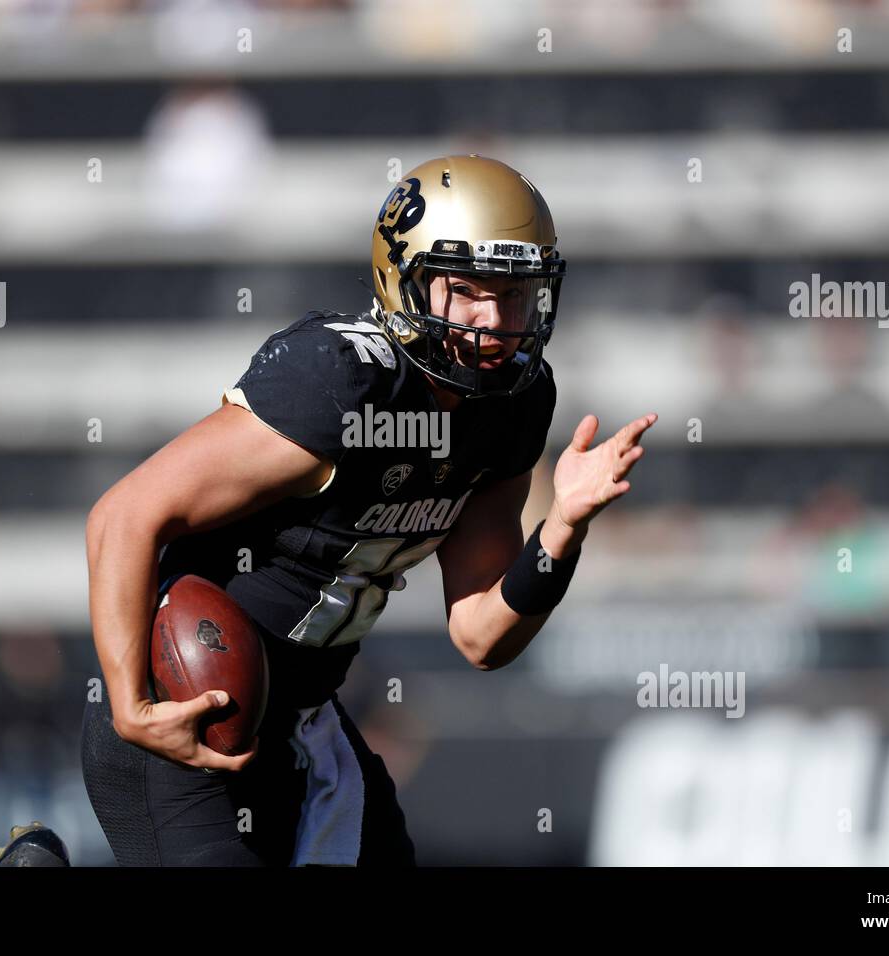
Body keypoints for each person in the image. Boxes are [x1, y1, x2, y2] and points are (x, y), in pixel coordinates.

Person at [81, 154, 656, 865]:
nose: (495, 320)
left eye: (514, 294)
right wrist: (133, 708)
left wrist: (562, 530)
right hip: (186, 711)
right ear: (405, 278)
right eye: (469, 290)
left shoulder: (514, 404)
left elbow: (481, 635)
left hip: (303, 727)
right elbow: (124, 515)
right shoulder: (343, 381)